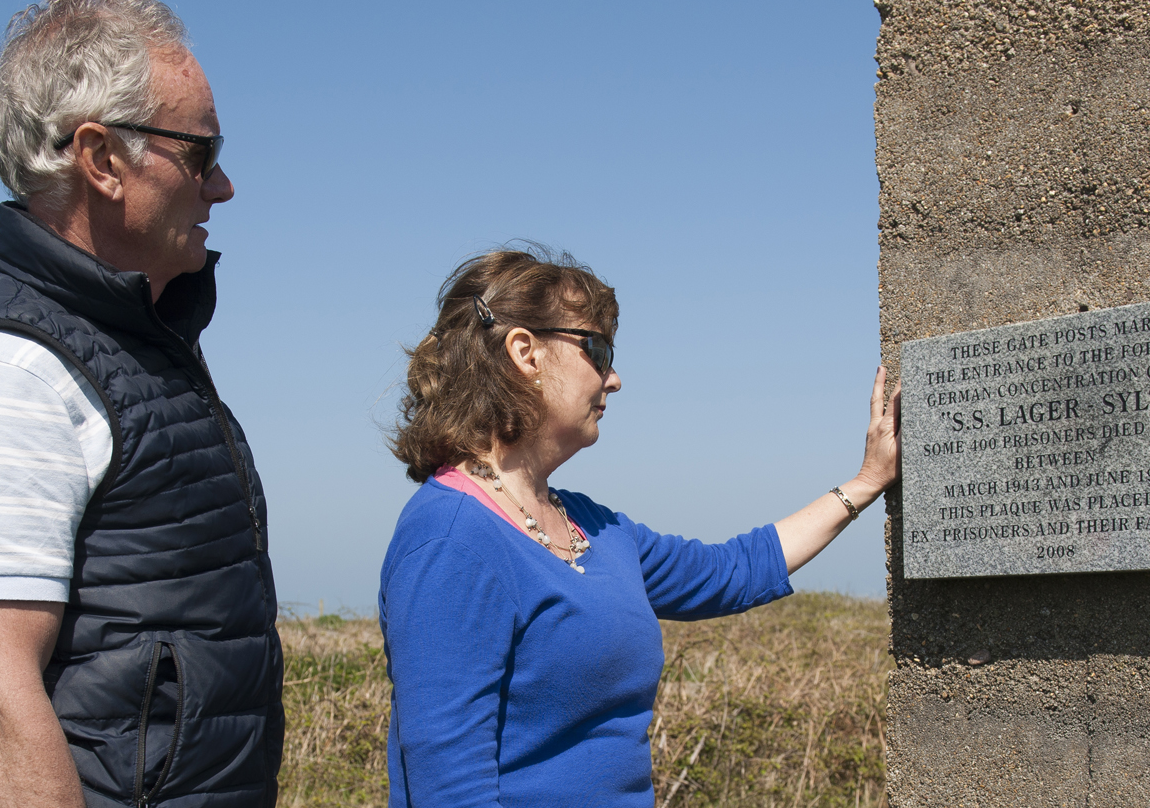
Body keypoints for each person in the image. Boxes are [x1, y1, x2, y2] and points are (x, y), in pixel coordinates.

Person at [0, 0, 281, 808]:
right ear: (103, 159)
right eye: (200, 153)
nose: (222, 188)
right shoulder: (7, 374)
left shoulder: (140, 346)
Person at [380, 247, 900, 806]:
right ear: (525, 352)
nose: (615, 378)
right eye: (597, 349)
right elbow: (452, 789)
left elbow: (733, 570)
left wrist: (867, 481)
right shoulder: (449, 541)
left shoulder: (592, 526)